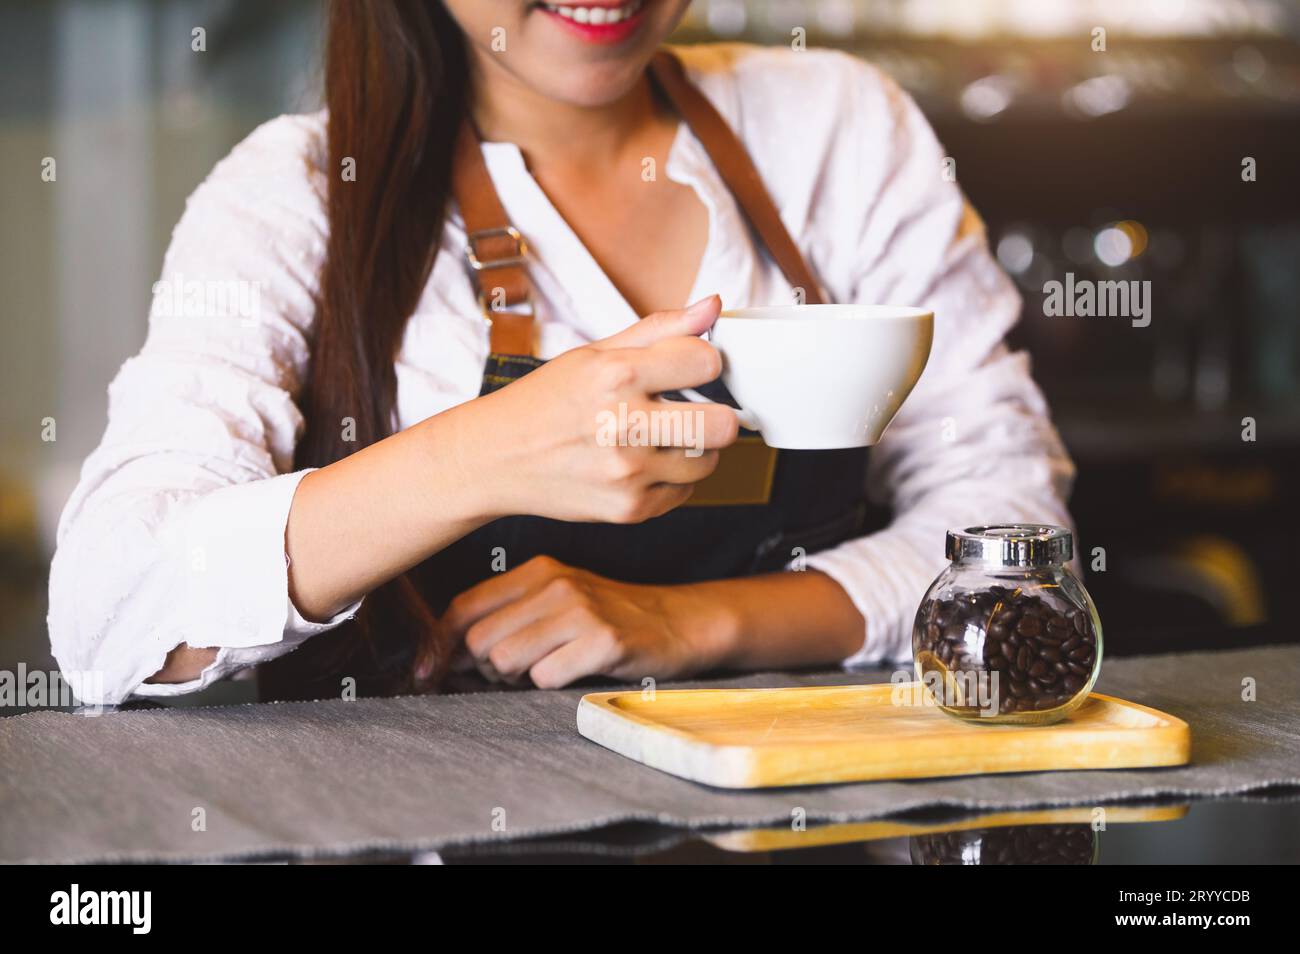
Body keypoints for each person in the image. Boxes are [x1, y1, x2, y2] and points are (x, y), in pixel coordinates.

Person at [48, 0, 1073, 705]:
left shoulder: (837, 127)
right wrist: (486, 451)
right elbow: (110, 618)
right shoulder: (296, 194)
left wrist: (698, 622)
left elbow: (1011, 539)